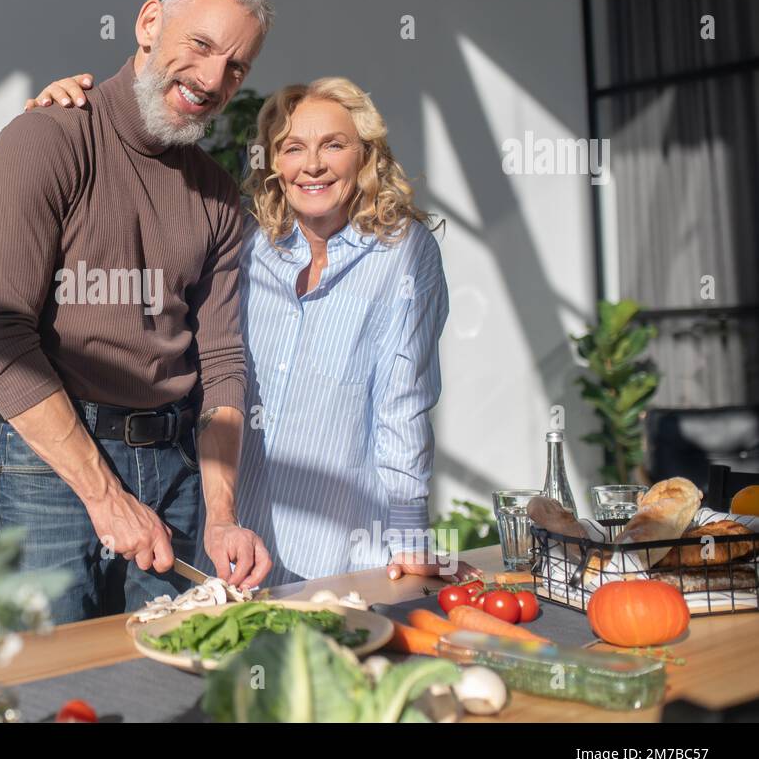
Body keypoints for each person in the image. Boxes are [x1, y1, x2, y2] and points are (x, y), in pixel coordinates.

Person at [27, 74, 480, 585]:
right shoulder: (246, 245)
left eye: (334, 145)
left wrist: (411, 534)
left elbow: (405, 403)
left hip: (344, 547)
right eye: (292, 148)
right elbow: (139, 250)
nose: (312, 164)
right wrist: (61, 122)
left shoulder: (405, 254)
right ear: (272, 164)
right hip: (232, 543)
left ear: (366, 155)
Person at [0, 0, 275, 625]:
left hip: (177, 469)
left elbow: (222, 366)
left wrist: (221, 518)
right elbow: (0, 341)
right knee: (55, 682)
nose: (213, 80)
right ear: (149, 23)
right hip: (54, 471)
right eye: (201, 45)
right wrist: (105, 495)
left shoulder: (218, 197)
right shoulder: (46, 140)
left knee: (170, 681)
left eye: (237, 67)